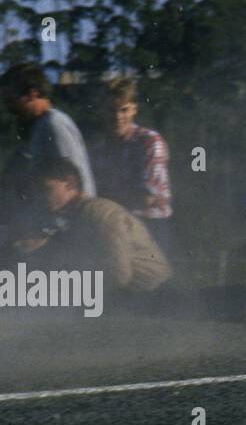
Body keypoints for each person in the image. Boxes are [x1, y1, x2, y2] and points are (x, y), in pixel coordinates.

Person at [5, 157, 172, 294]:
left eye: (46, 189)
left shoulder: (100, 213)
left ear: (70, 184)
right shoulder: (73, 215)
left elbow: (118, 275)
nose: (41, 196)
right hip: (132, 298)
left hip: (153, 297)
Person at [1, 63, 96, 237]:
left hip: (72, 228)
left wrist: (51, 232)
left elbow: (75, 184)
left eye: (12, 101)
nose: (9, 108)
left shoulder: (54, 124)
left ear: (32, 94)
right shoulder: (40, 127)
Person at [92, 78, 174, 256]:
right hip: (114, 226)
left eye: (124, 110)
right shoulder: (100, 147)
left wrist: (104, 206)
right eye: (111, 110)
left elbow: (147, 197)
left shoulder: (150, 141)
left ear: (135, 109)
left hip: (150, 226)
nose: (117, 117)